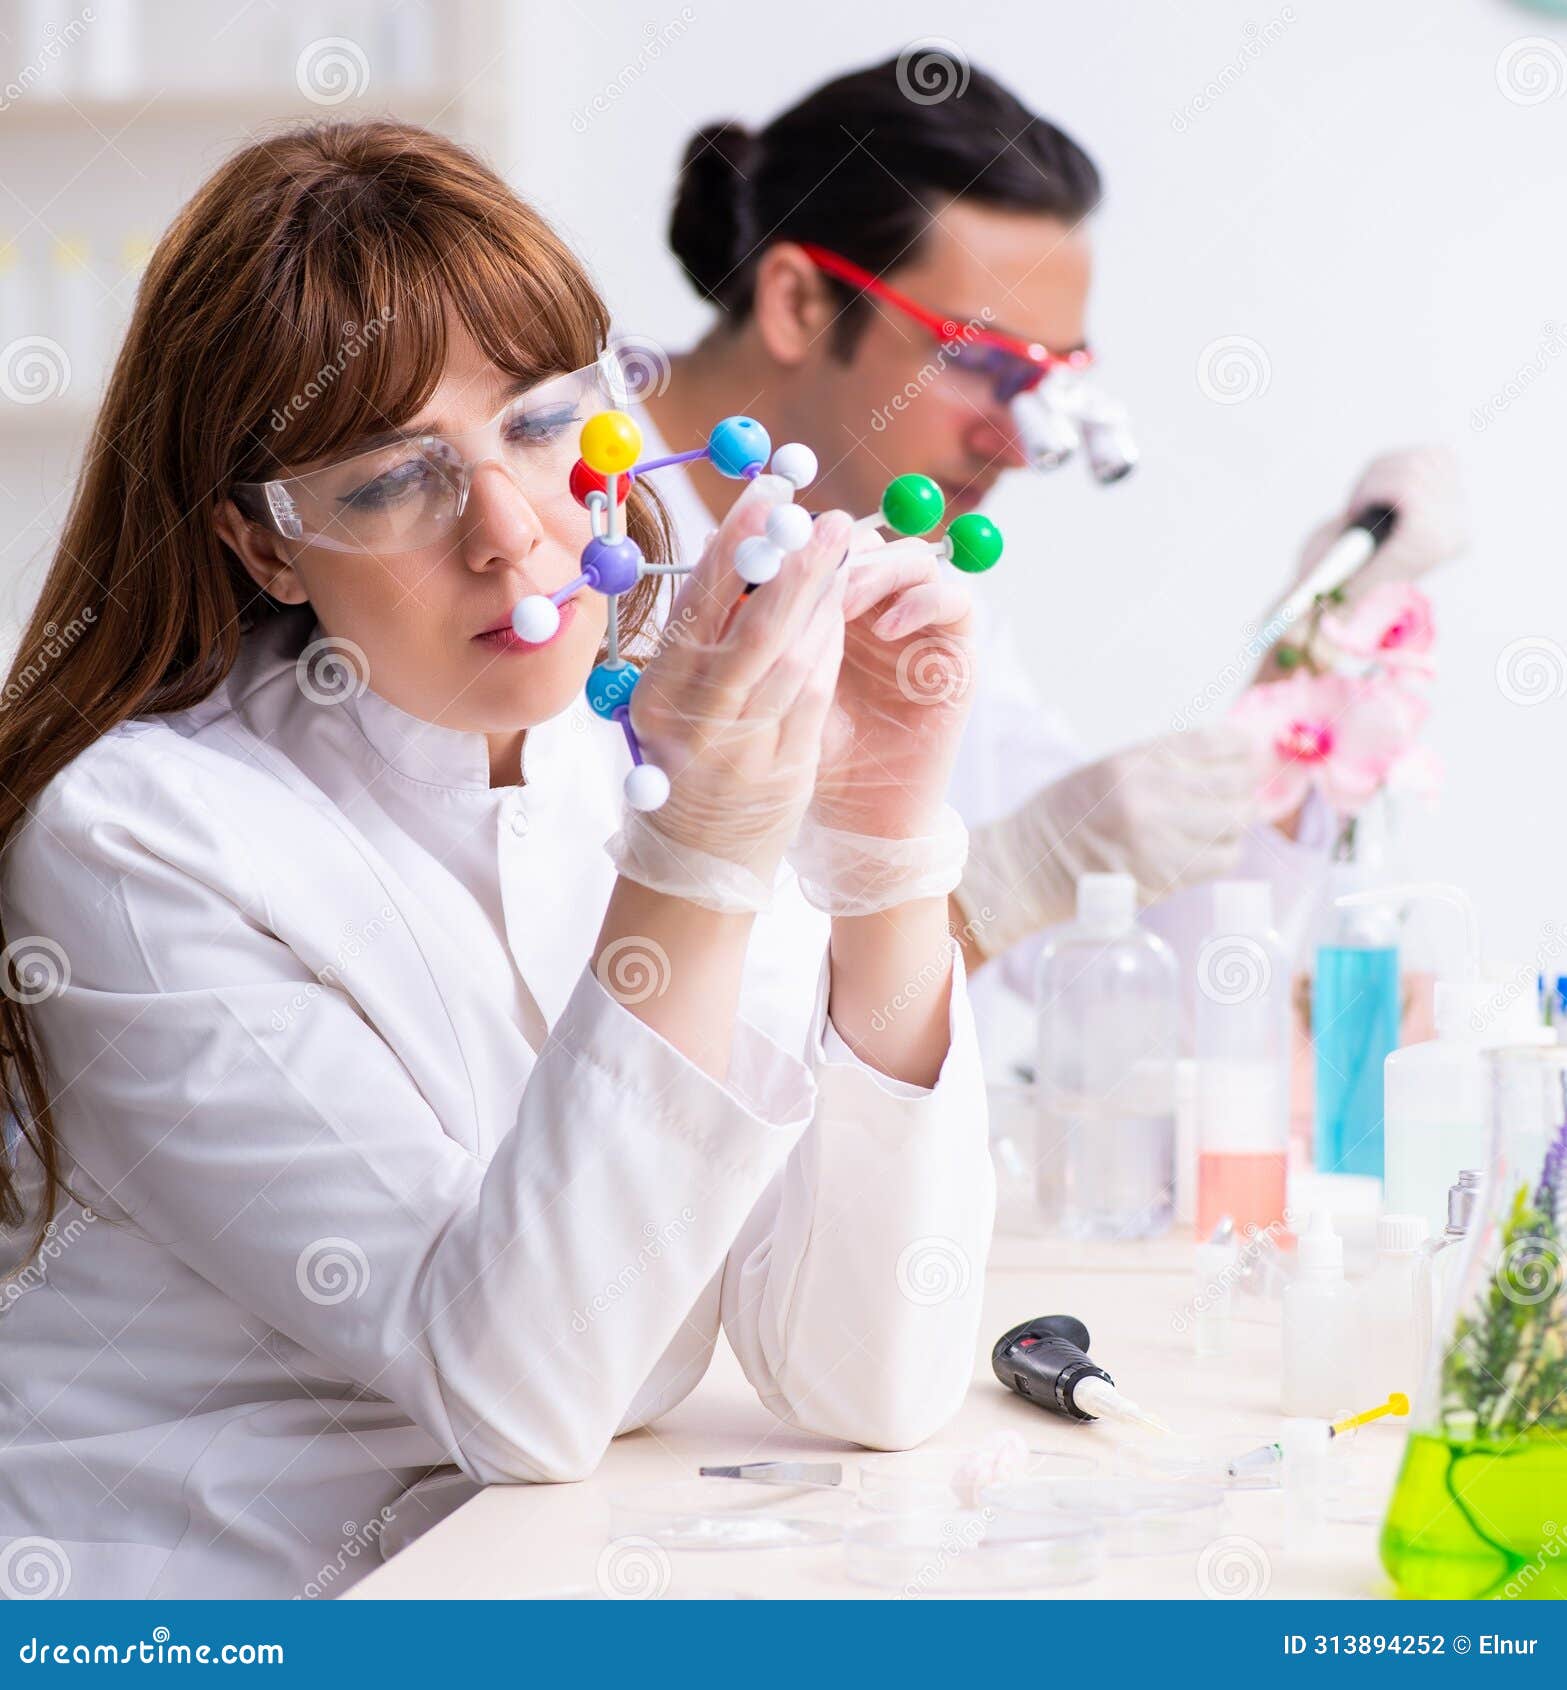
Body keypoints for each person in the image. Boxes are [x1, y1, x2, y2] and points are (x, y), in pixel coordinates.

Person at [0, 120, 993, 1599]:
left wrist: (883, 845)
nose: (513, 535)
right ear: (266, 546)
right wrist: (704, 857)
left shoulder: (646, 737)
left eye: (538, 423)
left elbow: (869, 1379)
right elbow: (518, 1394)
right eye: (398, 479)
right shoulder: (137, 838)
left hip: (534, 1563)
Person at [639, 58, 1465, 1027]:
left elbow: (1134, 937)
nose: (1017, 445)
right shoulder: (550, 539)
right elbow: (660, 1023)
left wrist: (1324, 625)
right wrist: (995, 890)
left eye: (1053, 384)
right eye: (981, 361)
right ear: (796, 303)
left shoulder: (888, 567)